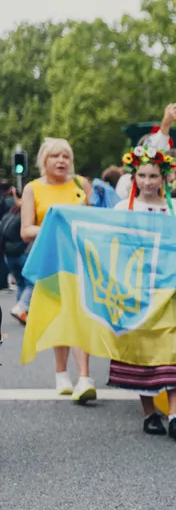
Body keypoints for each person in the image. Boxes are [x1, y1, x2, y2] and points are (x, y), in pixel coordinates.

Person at [106, 144, 176, 441]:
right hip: (136, 290)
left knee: (173, 348)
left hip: (170, 288)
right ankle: (149, 413)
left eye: (153, 175)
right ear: (133, 176)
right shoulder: (122, 208)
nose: (147, 181)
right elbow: (113, 246)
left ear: (164, 177)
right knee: (141, 350)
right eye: (141, 175)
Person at [18, 137, 95, 401]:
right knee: (59, 315)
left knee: (81, 314)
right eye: (55, 156)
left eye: (66, 156)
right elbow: (26, 230)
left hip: (80, 260)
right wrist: (56, 228)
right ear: (44, 161)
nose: (61, 161)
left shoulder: (80, 184)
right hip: (50, 261)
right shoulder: (32, 188)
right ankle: (61, 373)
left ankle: (84, 377)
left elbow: (94, 219)